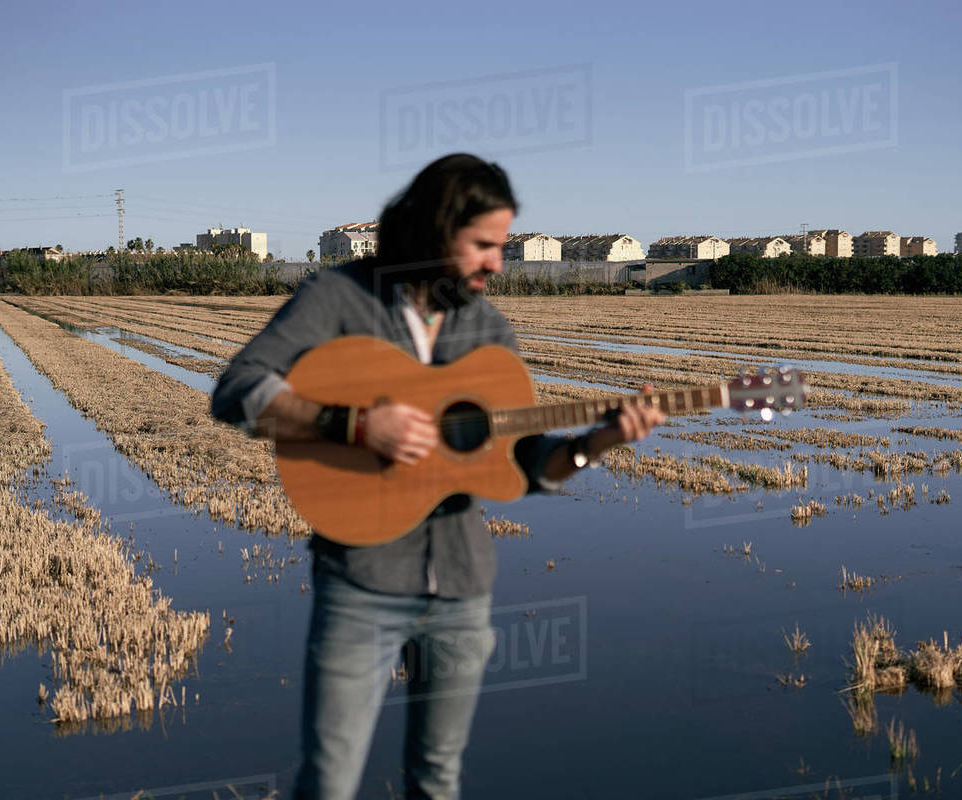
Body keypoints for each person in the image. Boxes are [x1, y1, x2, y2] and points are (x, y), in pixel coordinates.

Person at [212, 153, 664, 800]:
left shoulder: (485, 327)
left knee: (438, 780)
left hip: (462, 589)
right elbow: (238, 390)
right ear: (433, 229)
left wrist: (599, 442)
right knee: (330, 784)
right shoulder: (339, 297)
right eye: (483, 245)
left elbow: (527, 465)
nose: (496, 264)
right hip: (360, 582)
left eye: (502, 247)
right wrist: (355, 426)